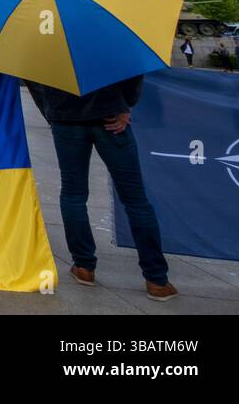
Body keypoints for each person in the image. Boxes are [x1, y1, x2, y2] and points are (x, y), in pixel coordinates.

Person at [26, 76, 177, 301]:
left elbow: (33, 77)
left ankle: (84, 266)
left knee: (73, 194)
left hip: (66, 116)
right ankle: (156, 279)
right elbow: (132, 68)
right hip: (109, 113)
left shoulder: (46, 40)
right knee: (135, 200)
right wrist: (124, 105)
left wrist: (51, 110)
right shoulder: (113, 38)